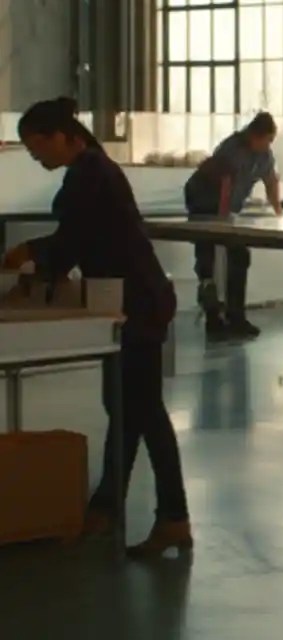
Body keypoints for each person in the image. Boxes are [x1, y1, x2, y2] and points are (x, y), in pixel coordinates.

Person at [2, 97, 191, 557]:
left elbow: (73, 240)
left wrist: (29, 254)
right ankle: (107, 506)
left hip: (138, 304)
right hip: (127, 299)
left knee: (143, 411)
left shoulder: (92, 173)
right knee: (124, 406)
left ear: (63, 137)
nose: (36, 157)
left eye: (36, 147)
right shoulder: (91, 169)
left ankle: (173, 516)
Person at [183, 112, 282, 339]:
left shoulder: (264, 154)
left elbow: (270, 181)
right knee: (208, 259)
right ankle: (213, 318)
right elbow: (224, 186)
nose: (268, 145)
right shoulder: (232, 149)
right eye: (266, 139)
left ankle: (236, 316)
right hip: (204, 201)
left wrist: (279, 213)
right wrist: (222, 220)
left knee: (239, 256)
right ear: (255, 135)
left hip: (227, 209)